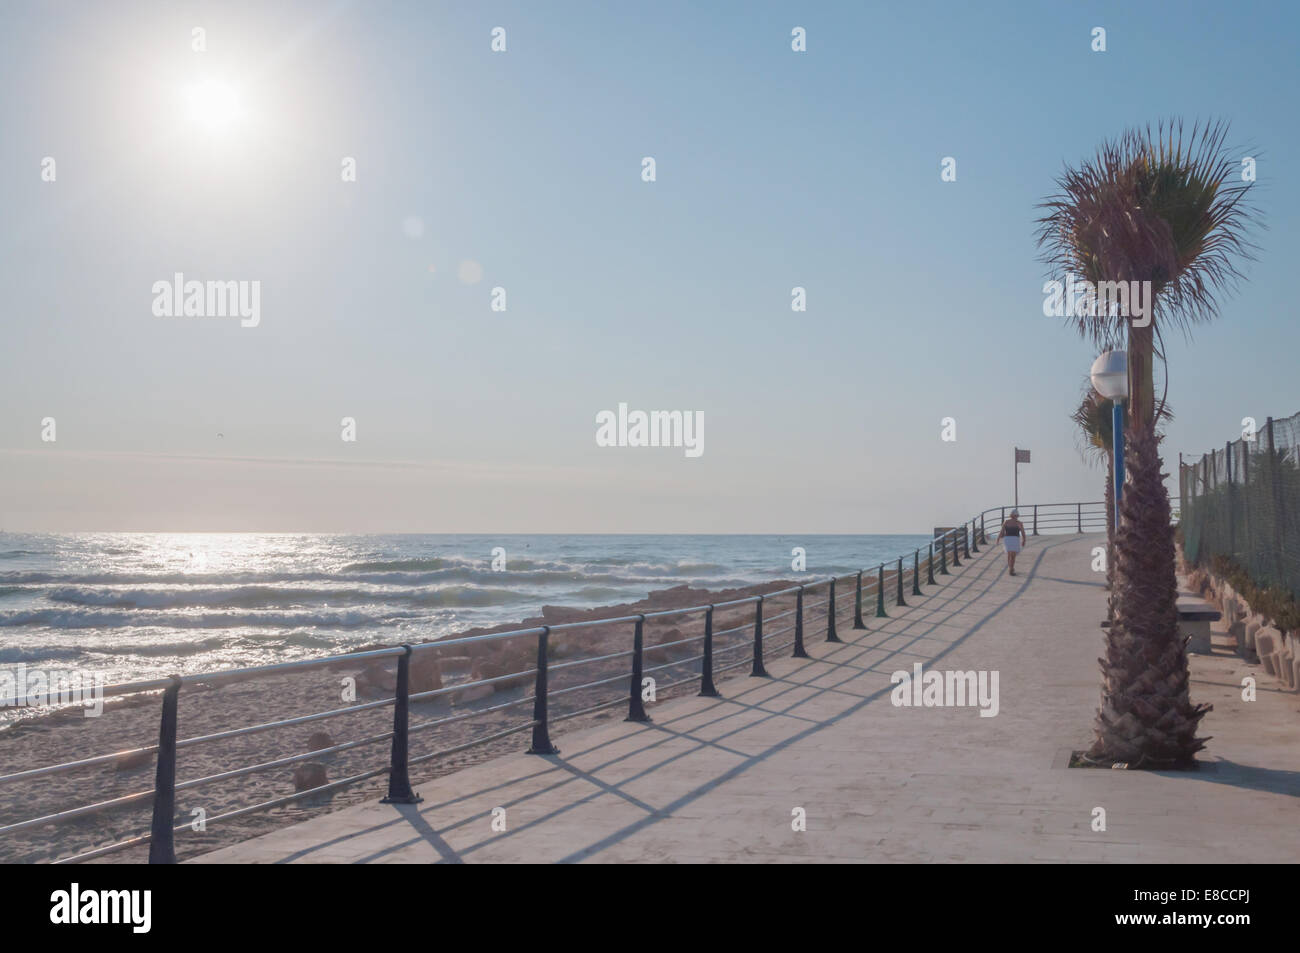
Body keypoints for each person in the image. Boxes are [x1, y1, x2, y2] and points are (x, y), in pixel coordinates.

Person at [996, 509, 1026, 576]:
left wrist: (998, 539)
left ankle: (1010, 568)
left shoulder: (1006, 522)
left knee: (1009, 555)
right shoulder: (1019, 523)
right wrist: (1024, 540)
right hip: (1015, 540)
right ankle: (1011, 569)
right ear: (1017, 515)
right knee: (1013, 556)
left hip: (1008, 539)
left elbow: (1001, 532)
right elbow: (1023, 533)